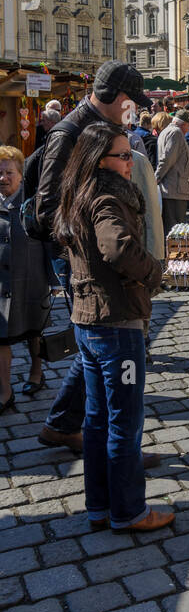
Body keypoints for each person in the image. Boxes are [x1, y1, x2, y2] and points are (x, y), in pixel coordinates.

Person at [54, 124, 171, 532]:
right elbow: (117, 246)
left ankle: (100, 507)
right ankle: (129, 512)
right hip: (116, 322)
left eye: (128, 154)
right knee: (124, 421)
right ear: (99, 160)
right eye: (122, 155)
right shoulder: (105, 196)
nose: (129, 162)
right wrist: (153, 271)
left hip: (90, 320)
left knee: (98, 420)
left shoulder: (81, 191)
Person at [34, 61, 153, 454]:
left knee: (93, 351)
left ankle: (66, 426)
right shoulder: (68, 132)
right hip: (87, 261)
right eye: (131, 102)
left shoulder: (104, 128)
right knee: (104, 343)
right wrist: (88, 241)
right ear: (119, 99)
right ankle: (116, 459)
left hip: (103, 256)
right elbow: (45, 209)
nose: (133, 110)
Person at [0, 146, 51, 412]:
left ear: (20, 175)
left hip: (31, 278)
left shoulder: (31, 202)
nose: (3, 178)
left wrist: (53, 281)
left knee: (34, 329)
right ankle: (5, 391)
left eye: (9, 172)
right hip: (1, 282)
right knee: (1, 337)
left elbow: (47, 241)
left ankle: (36, 372)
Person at [155, 108, 189, 239]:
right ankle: (170, 259)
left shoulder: (167, 131)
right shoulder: (176, 133)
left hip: (173, 188)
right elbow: (167, 159)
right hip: (174, 189)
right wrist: (157, 178)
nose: (188, 130)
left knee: (172, 229)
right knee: (175, 232)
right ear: (183, 124)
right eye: (188, 126)